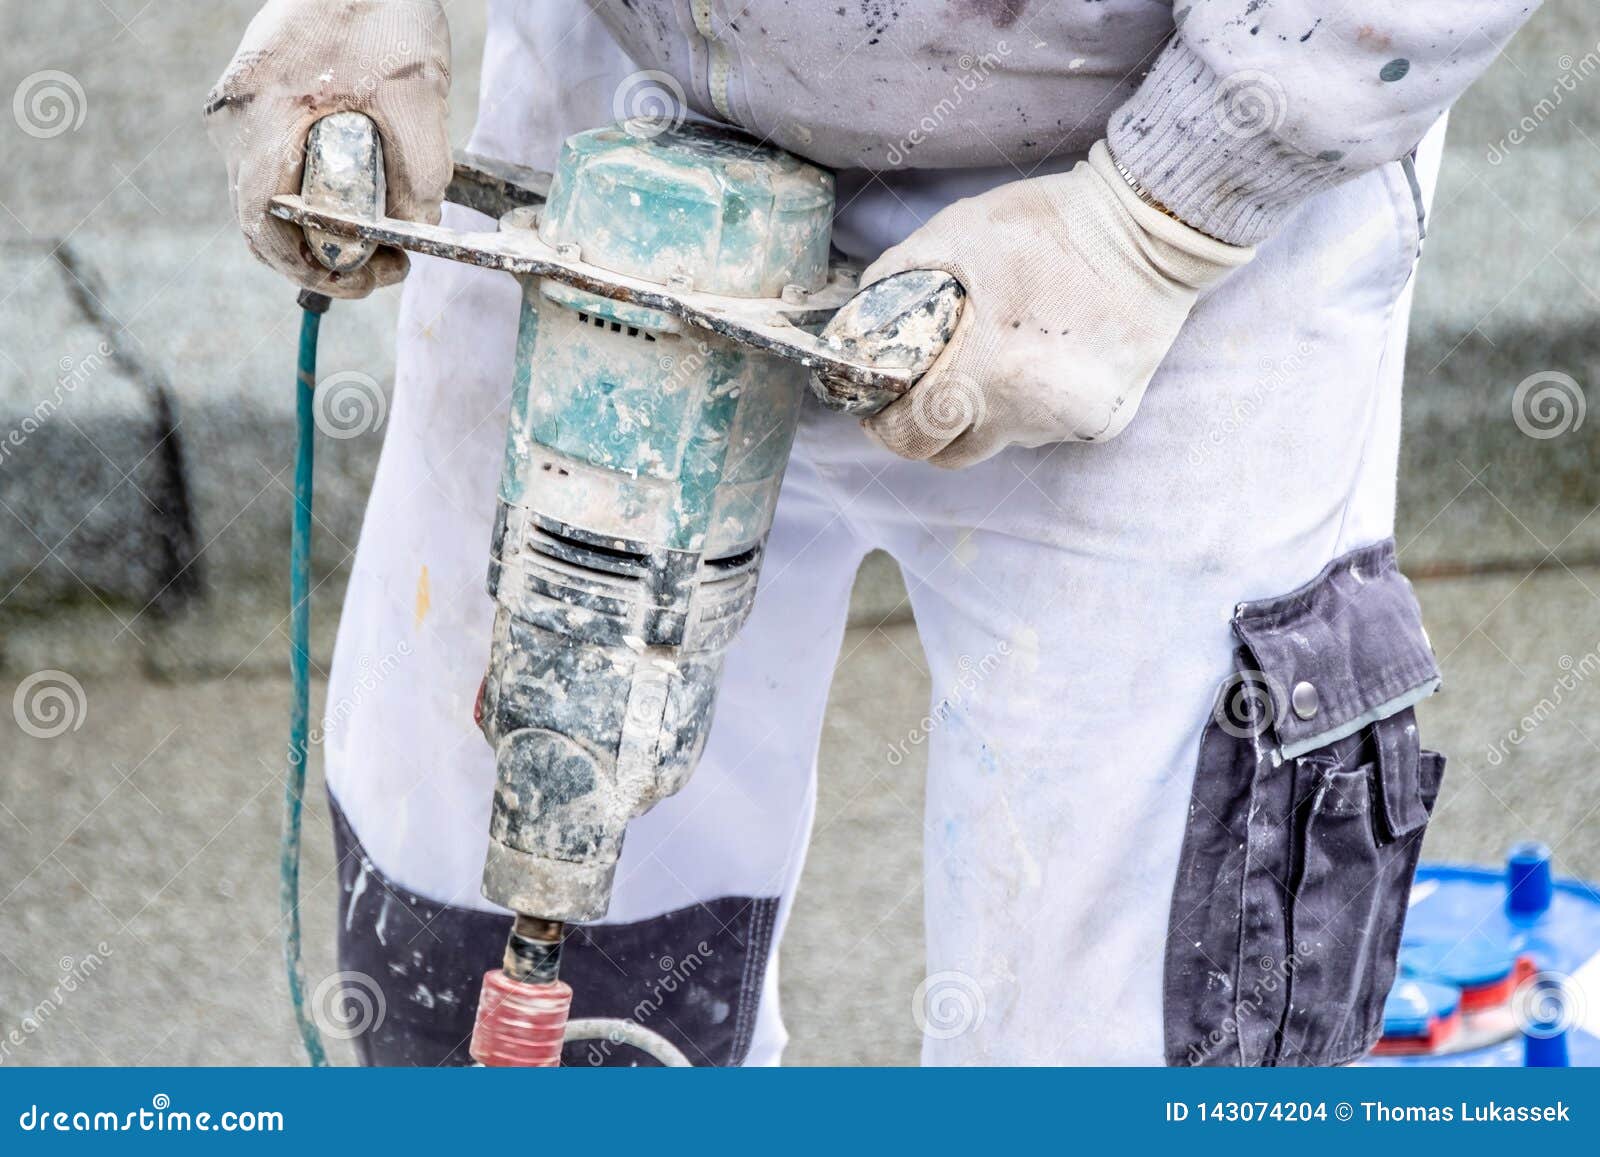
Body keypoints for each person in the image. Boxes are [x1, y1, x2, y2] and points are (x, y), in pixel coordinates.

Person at [207, 0, 1540, 1066]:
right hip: (625, 107)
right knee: (469, 951)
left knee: (1125, 1032)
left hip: (1172, 159)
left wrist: (1146, 232)